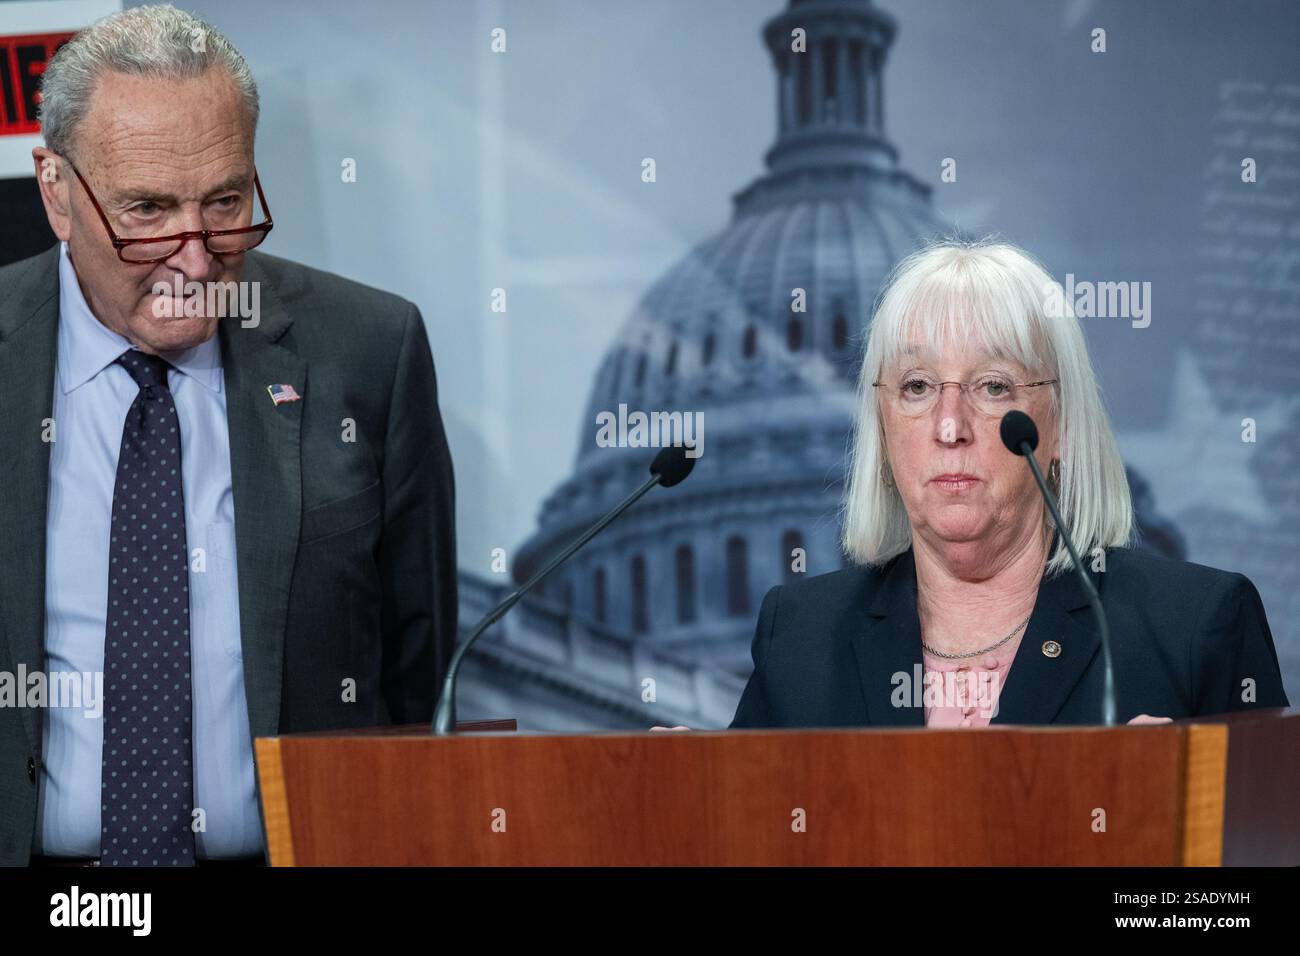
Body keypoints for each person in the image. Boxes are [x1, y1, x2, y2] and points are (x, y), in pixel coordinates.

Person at [0, 5, 456, 866]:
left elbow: (417, 670)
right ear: (55, 193)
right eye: (146, 210)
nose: (198, 258)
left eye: (226, 202)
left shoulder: (368, 350)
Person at [723, 238, 1289, 730]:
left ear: (1060, 423)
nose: (950, 426)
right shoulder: (799, 637)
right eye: (917, 386)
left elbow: (1262, 840)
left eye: (994, 387)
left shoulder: (1196, 626)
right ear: (882, 423)